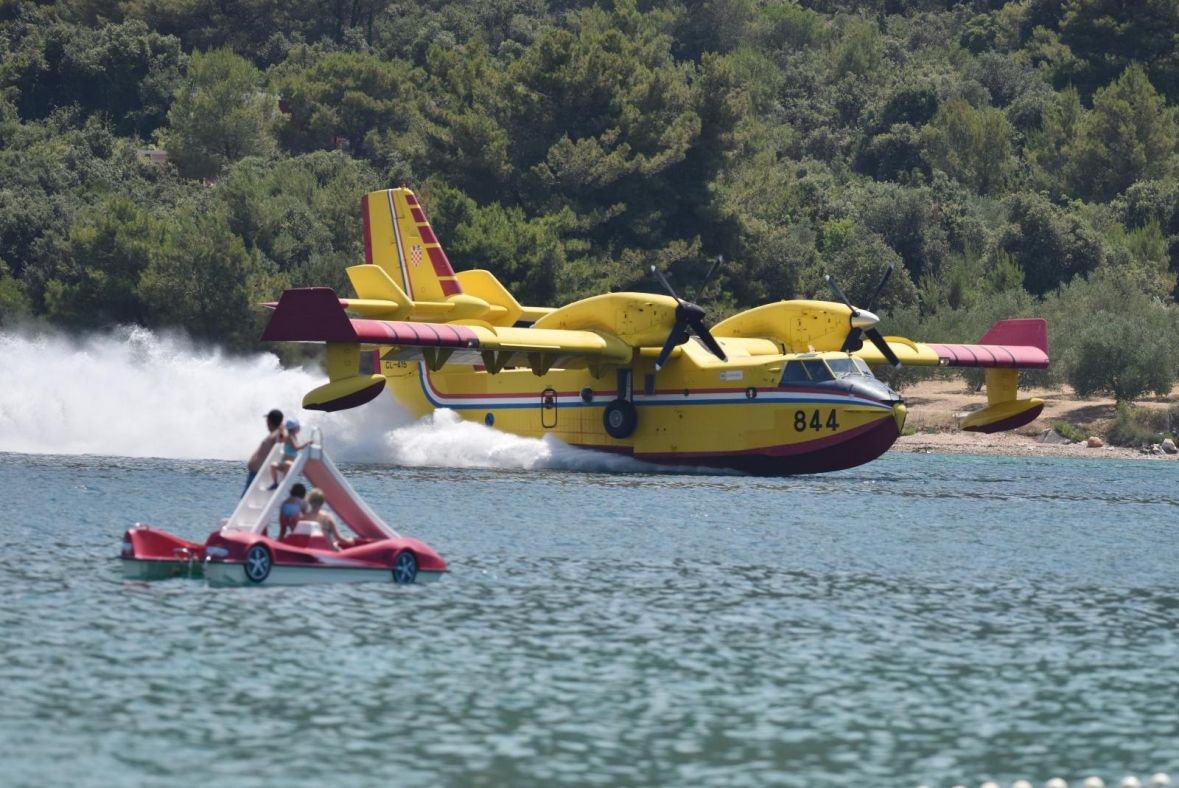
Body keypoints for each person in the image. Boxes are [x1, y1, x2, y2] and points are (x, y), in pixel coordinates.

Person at [245, 409, 285, 496]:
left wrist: (282, 428)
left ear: (270, 421)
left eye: (267, 421)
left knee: (245, 499)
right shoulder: (274, 434)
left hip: (257, 475)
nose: (266, 423)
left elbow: (284, 439)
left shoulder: (277, 434)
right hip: (254, 473)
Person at [267, 418, 310, 490]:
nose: (300, 428)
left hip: (291, 464)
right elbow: (296, 448)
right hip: (285, 464)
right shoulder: (289, 437)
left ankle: (284, 483)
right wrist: (306, 443)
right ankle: (275, 483)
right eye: (299, 427)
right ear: (295, 429)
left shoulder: (292, 436)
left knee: (287, 463)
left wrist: (282, 429)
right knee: (273, 465)